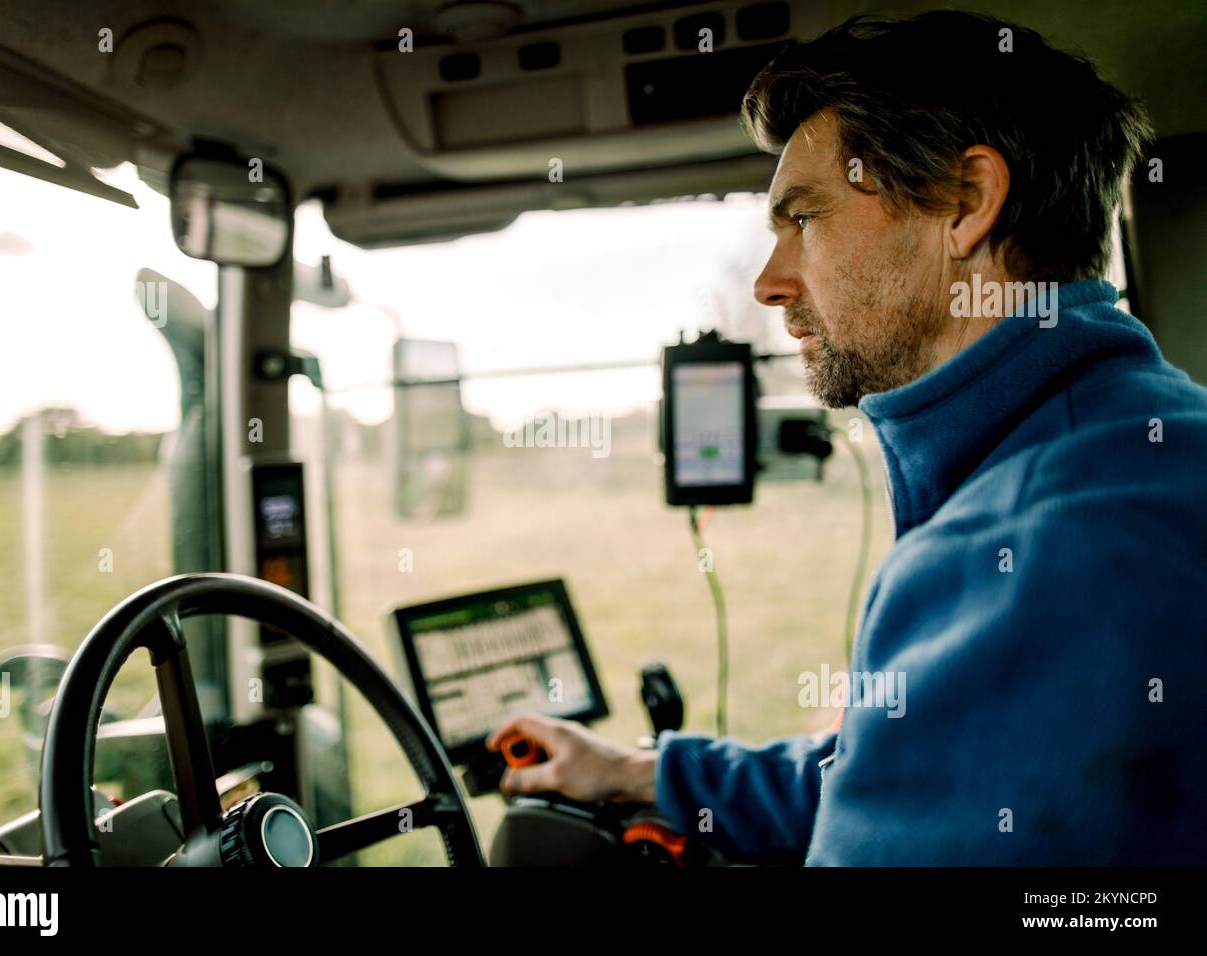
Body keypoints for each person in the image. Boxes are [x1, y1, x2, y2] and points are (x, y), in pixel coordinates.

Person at [487, 11, 1207, 865]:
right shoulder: (1132, 443)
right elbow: (893, 776)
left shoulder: (1025, 553)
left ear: (965, 203)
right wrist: (643, 774)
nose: (768, 281)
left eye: (805, 219)